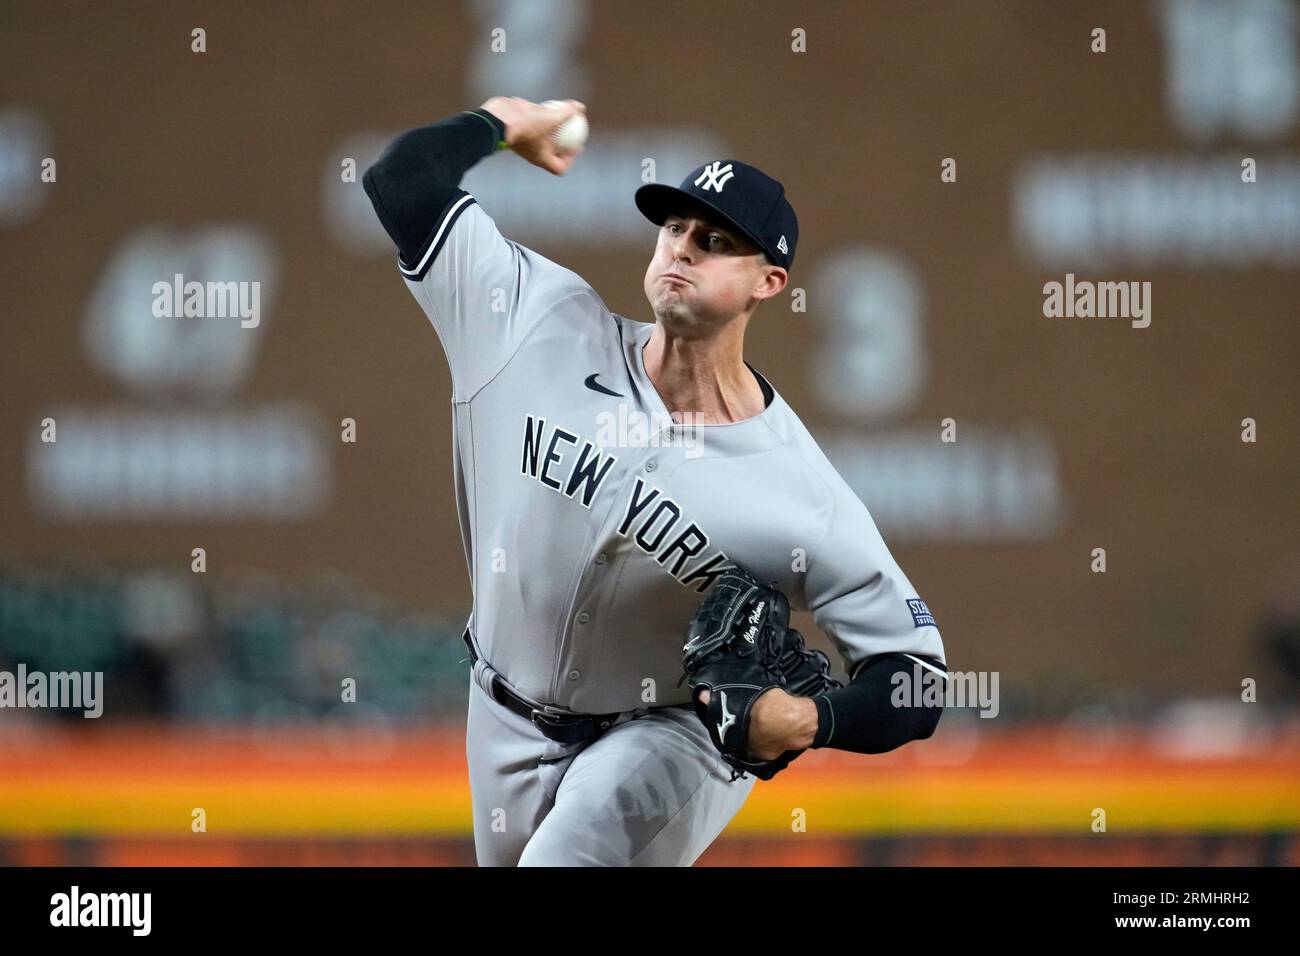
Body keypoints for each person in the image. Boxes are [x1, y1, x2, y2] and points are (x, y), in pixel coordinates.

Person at [362, 96, 948, 866]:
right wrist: (500, 122)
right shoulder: (536, 324)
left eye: (714, 241)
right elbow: (400, 182)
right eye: (672, 228)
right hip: (498, 712)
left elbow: (918, 683)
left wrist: (808, 722)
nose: (681, 249)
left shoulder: (800, 493)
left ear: (768, 283)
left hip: (670, 735)